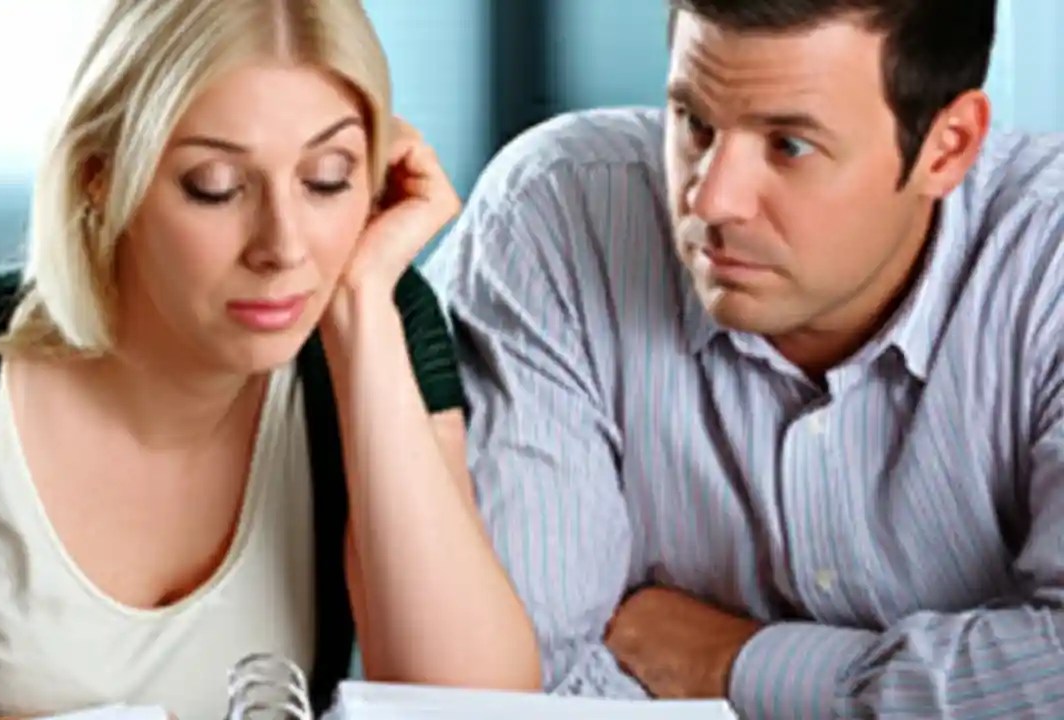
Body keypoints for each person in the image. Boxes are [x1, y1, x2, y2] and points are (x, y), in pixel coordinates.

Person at [0, 1, 541, 718]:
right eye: (215, 187)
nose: (283, 247)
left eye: (327, 179)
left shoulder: (373, 322)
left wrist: (362, 312)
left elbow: (474, 708)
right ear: (100, 177)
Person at [427, 0, 1064, 717]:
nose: (712, 199)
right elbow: (528, 688)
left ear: (947, 147)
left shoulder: (1049, 262)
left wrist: (736, 663)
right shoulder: (556, 221)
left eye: (789, 145)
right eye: (694, 123)